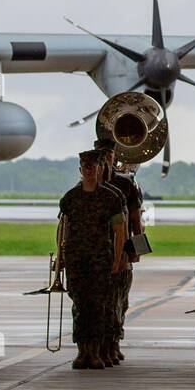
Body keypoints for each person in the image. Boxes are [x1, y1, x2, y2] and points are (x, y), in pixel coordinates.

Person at [59, 150, 127, 370]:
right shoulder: (70, 198)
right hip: (76, 260)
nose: (89, 170)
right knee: (80, 306)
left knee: (98, 306)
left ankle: (96, 352)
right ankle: (82, 352)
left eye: (93, 166)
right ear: (80, 170)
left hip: (101, 260)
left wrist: (118, 259)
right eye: (85, 167)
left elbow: (120, 231)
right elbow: (62, 229)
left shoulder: (110, 198)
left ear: (100, 169)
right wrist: (60, 257)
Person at [95, 136, 143, 364]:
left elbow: (136, 220)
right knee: (98, 302)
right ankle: (99, 346)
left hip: (121, 251)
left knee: (118, 301)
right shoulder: (86, 185)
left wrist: (137, 250)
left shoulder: (126, 184)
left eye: (108, 155)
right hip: (94, 253)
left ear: (115, 156)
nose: (105, 159)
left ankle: (113, 343)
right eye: (101, 155)